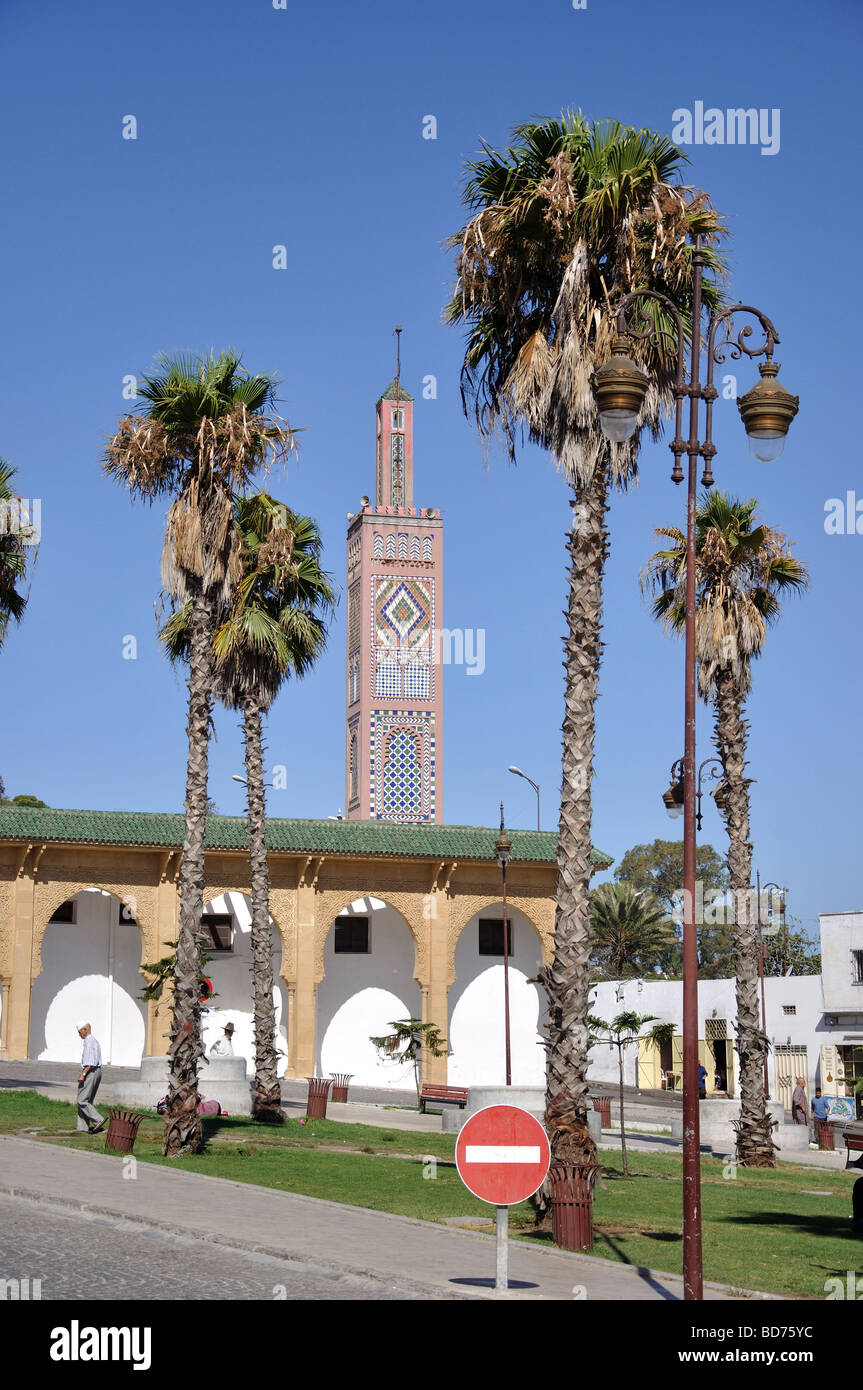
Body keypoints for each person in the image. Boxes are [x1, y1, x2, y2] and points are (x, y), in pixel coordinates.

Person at [76, 1021, 105, 1133]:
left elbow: (90, 1062)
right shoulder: (95, 1041)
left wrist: (83, 1074)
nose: (79, 1035)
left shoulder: (89, 1042)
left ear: (85, 1030)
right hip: (97, 1071)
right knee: (87, 1100)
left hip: (91, 1071)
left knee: (82, 1100)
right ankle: (82, 1127)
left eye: (79, 1032)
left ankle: (98, 1120)